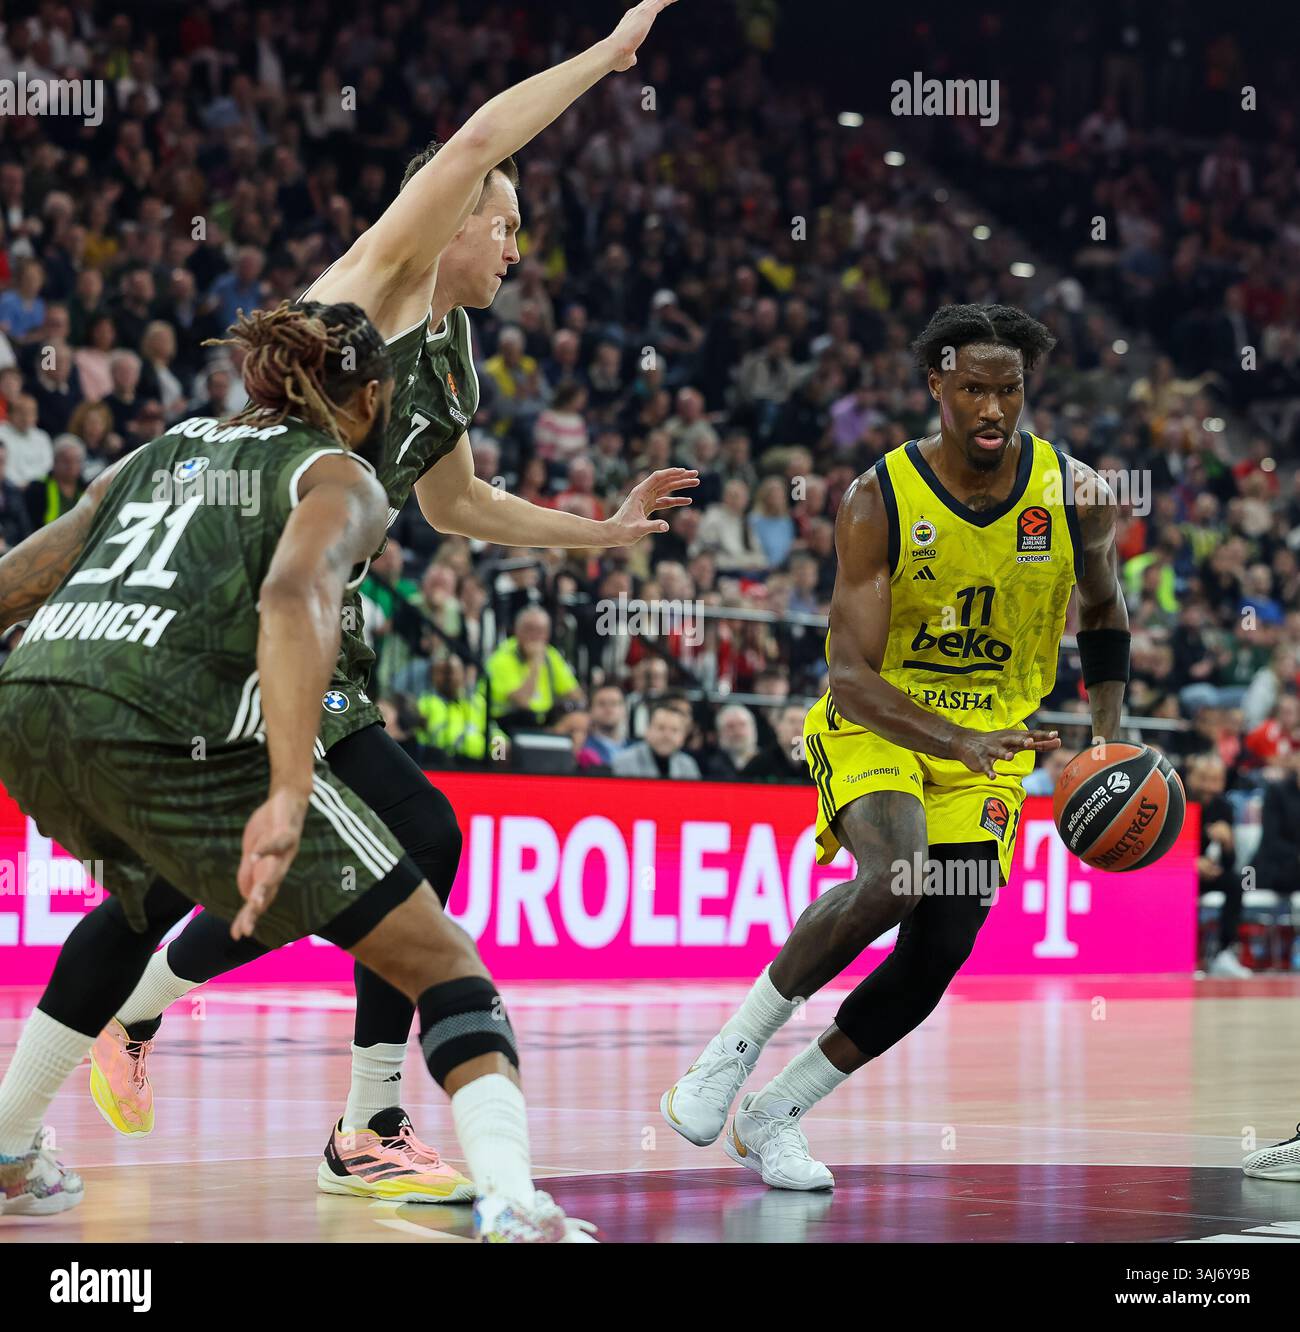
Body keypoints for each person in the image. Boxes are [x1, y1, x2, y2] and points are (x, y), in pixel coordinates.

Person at [73, 0, 691, 1204]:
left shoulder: (449, 350)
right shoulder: (384, 281)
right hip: (237, 604)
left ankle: (330, 1107)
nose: (517, 247)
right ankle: (130, 1062)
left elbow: (457, 506)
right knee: (249, 865)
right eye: (506, 225)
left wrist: (600, 532)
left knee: (387, 847)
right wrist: (609, 59)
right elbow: (471, 141)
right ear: (454, 220)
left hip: (303, 633)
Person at [0, 300, 591, 1239]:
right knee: (444, 961)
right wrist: (284, 790)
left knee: (140, 901)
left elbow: (26, 573)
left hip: (33, 704)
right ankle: (514, 1202)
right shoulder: (341, 475)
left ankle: (10, 1145)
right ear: (363, 398)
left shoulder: (161, 448)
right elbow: (291, 593)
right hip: (164, 717)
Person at [661, 303, 1130, 1190]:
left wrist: (1106, 738)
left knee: (933, 959)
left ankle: (776, 1114)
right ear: (936, 388)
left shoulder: (1076, 493)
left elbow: (1105, 612)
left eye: (1011, 391)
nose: (993, 410)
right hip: (880, 723)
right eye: (973, 390)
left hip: (989, 749)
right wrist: (960, 736)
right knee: (898, 876)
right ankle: (727, 1056)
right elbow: (848, 675)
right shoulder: (878, 498)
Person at [612, 700, 701, 779]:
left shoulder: (688, 765)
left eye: (674, 730)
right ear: (647, 730)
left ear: (683, 737)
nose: (667, 735)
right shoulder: (624, 762)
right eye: (661, 728)